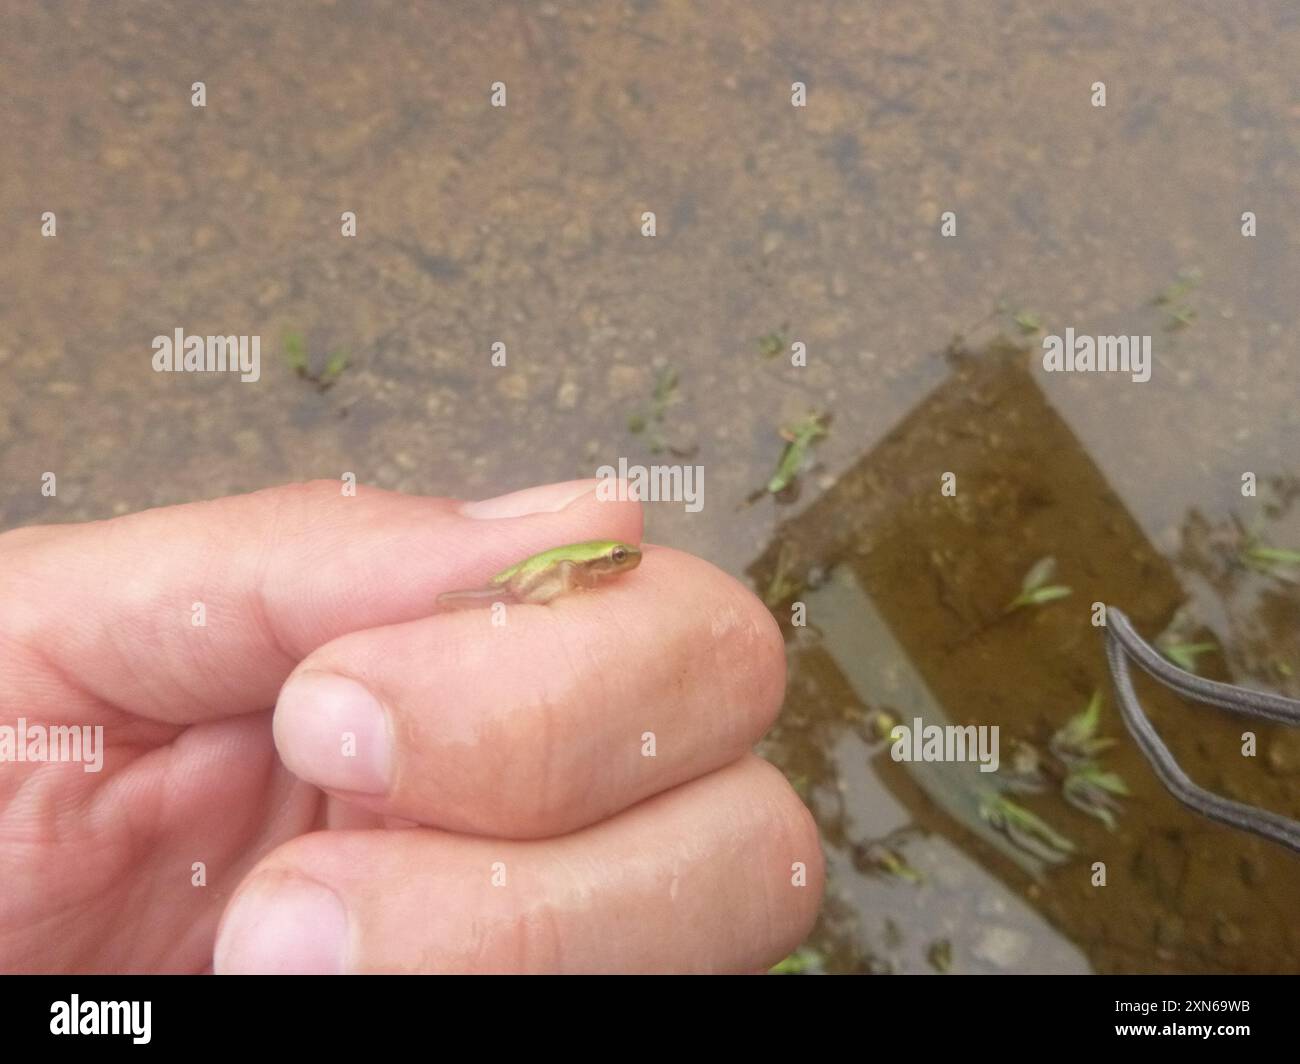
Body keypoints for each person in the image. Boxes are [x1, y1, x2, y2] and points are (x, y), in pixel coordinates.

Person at [0, 479, 823, 973]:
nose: (623, 567)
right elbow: (541, 577)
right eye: (614, 562)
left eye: (617, 563)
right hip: (507, 590)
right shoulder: (567, 566)